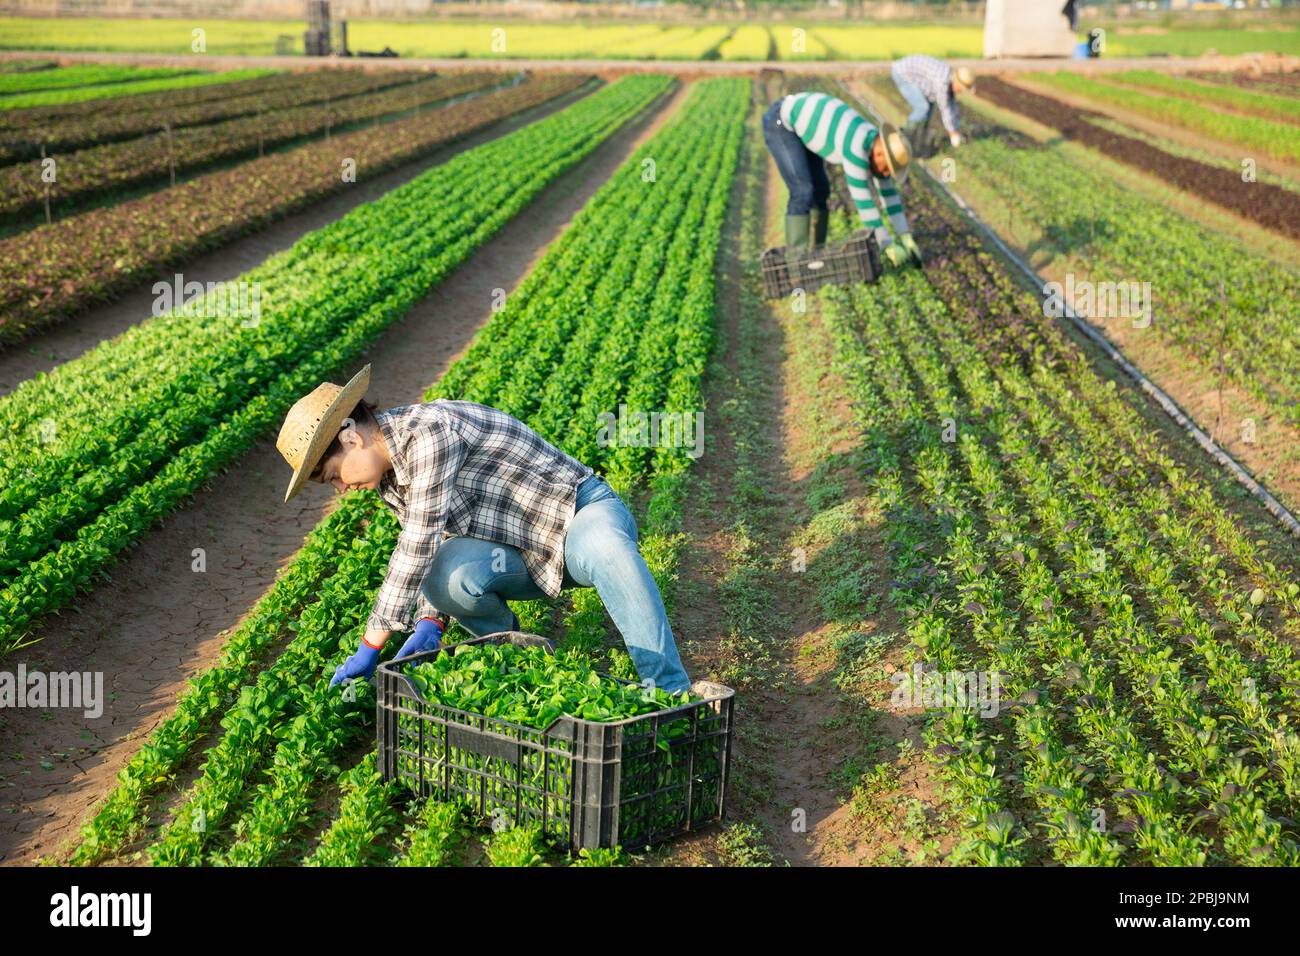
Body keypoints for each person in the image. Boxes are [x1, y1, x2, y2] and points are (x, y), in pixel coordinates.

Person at [274, 365, 692, 694]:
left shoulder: (428, 433)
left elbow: (416, 543)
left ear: (349, 437)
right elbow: (435, 544)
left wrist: (370, 647)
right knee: (443, 576)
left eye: (334, 478)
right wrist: (431, 622)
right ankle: (527, 668)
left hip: (577, 517)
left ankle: (669, 692)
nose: (344, 489)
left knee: (606, 548)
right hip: (522, 553)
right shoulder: (389, 478)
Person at [762, 89, 921, 268]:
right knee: (802, 190)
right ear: (878, 153)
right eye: (887, 168)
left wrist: (905, 235)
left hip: (804, 124)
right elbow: (864, 203)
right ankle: (796, 263)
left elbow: (889, 193)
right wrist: (887, 245)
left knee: (821, 190)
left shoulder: (875, 142)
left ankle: (815, 255)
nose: (886, 174)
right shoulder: (856, 145)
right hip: (780, 121)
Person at [890, 55, 976, 152]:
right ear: (957, 83)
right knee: (922, 108)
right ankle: (903, 140)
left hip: (915, 78)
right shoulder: (942, 82)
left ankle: (918, 141)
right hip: (902, 73)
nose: (960, 91)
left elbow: (951, 104)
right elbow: (945, 108)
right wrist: (952, 133)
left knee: (929, 107)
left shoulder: (949, 78)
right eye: (961, 89)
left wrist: (955, 129)